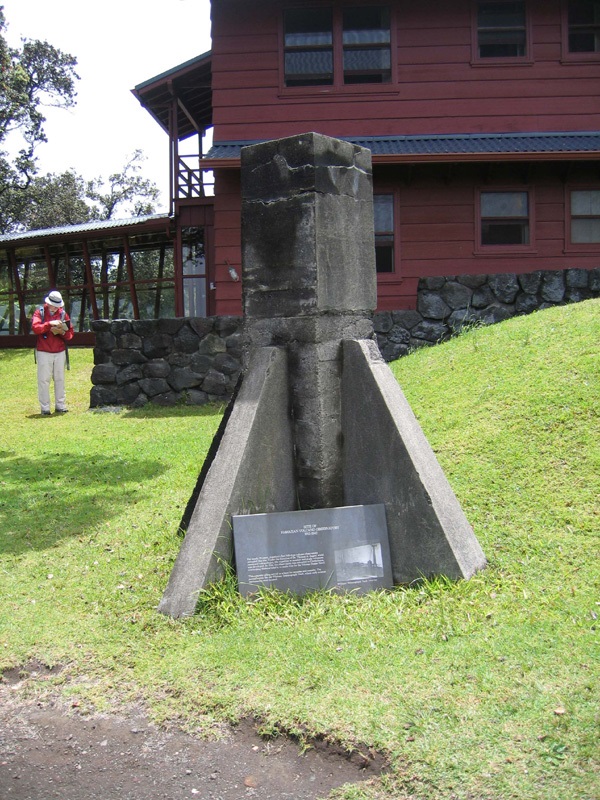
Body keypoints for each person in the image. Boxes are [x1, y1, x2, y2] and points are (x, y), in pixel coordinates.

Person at [30, 290, 74, 416]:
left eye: (58, 306)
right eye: (53, 305)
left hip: (59, 351)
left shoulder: (63, 314)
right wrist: (49, 324)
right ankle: (45, 408)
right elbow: (36, 328)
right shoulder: (40, 312)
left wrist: (62, 333)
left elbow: (70, 334)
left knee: (60, 379)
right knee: (44, 380)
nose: (55, 308)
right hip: (44, 350)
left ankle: (60, 405)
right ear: (48, 303)